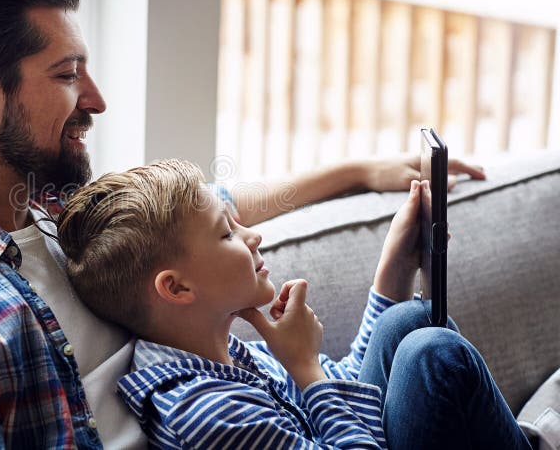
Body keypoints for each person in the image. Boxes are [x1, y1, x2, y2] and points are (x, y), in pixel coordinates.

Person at [0, 0, 486, 448]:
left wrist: (359, 172)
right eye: (67, 75)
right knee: (432, 357)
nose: (97, 100)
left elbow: (206, 210)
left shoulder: (60, 211)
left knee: (410, 327)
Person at [56, 159, 531, 449]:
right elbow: (326, 398)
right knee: (432, 355)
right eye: (226, 233)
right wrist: (304, 367)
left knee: (408, 320)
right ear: (177, 289)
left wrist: (393, 271)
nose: (253, 235)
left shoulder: (226, 355)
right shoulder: (208, 415)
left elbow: (344, 395)